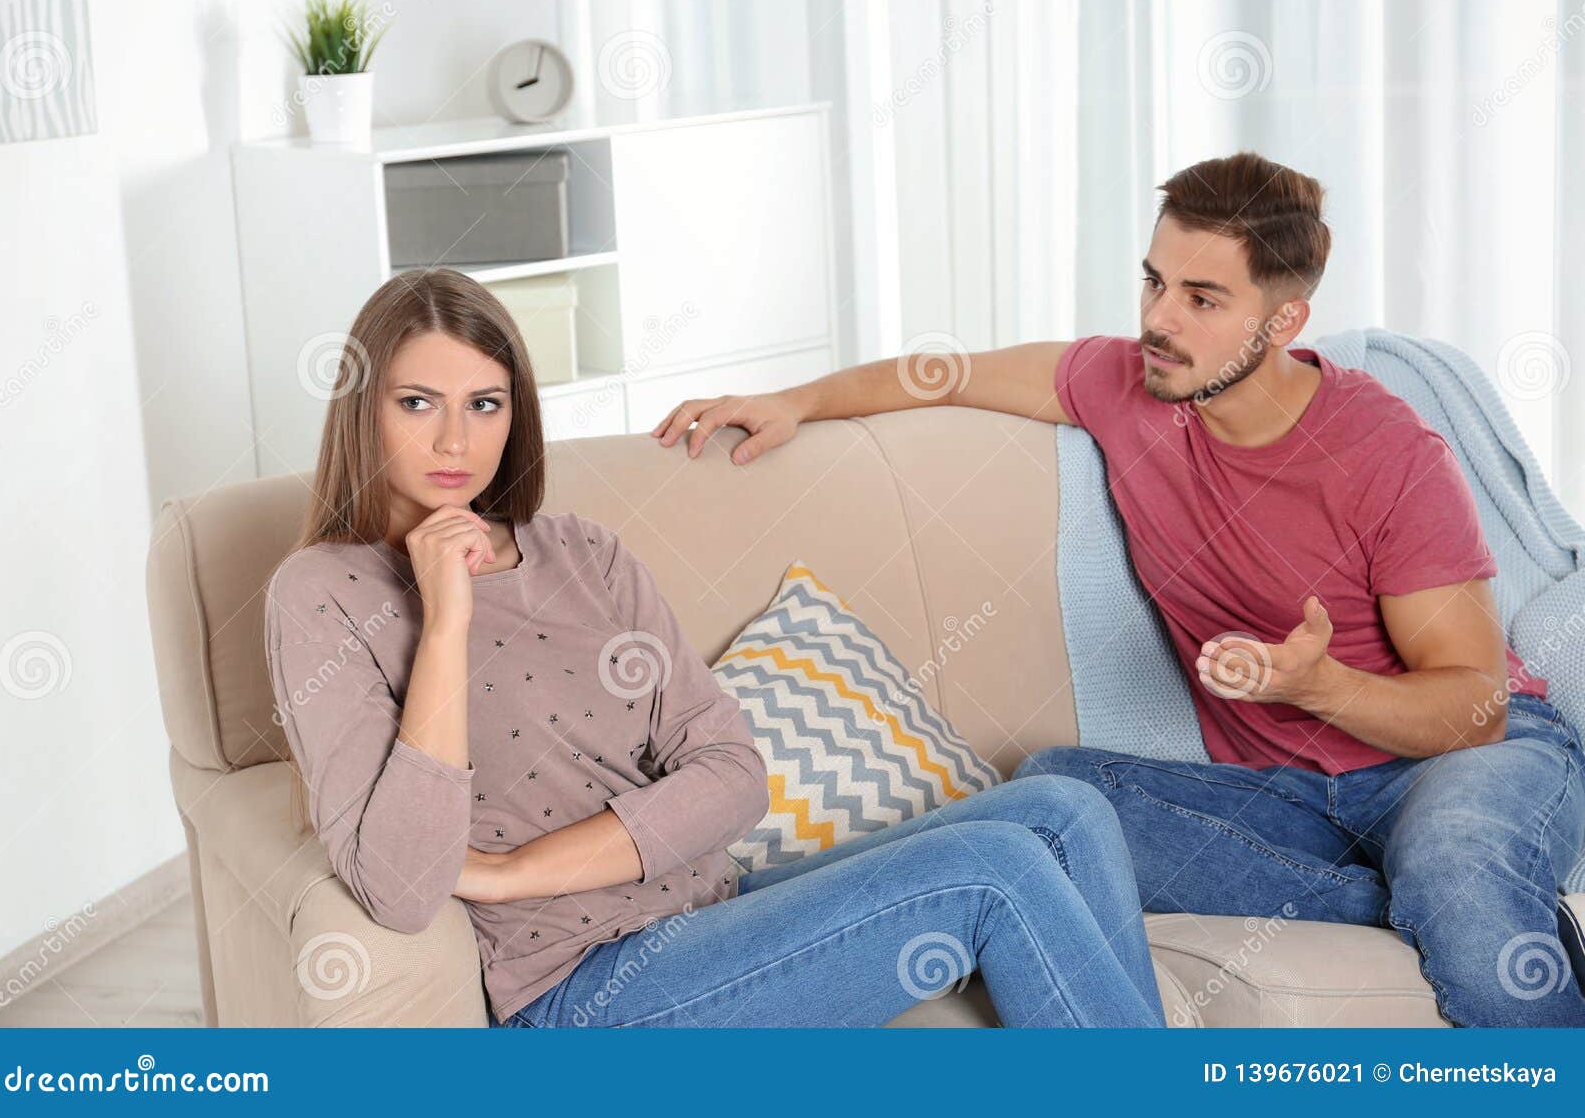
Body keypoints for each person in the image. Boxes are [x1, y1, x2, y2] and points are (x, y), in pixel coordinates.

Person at [649, 152, 1585, 1027]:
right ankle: (1440, 904)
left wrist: (1319, 686)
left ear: (1284, 321)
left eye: (1203, 297)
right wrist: (797, 400)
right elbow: (947, 376)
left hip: (1464, 761)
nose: (1159, 320)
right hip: (1292, 802)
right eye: (1154, 281)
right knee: (1060, 795)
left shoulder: (1386, 452)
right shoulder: (1125, 383)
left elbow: (1476, 704)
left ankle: (1478, 930)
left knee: (1457, 869)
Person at [263, 268, 1164, 1028]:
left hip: (718, 907)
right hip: (587, 988)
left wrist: (509, 873)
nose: (455, 441)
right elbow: (402, 886)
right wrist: (447, 618)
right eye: (418, 403)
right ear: (363, 411)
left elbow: (733, 772)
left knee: (1064, 809)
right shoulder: (322, 594)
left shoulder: (582, 551)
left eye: (484, 404)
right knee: (993, 871)